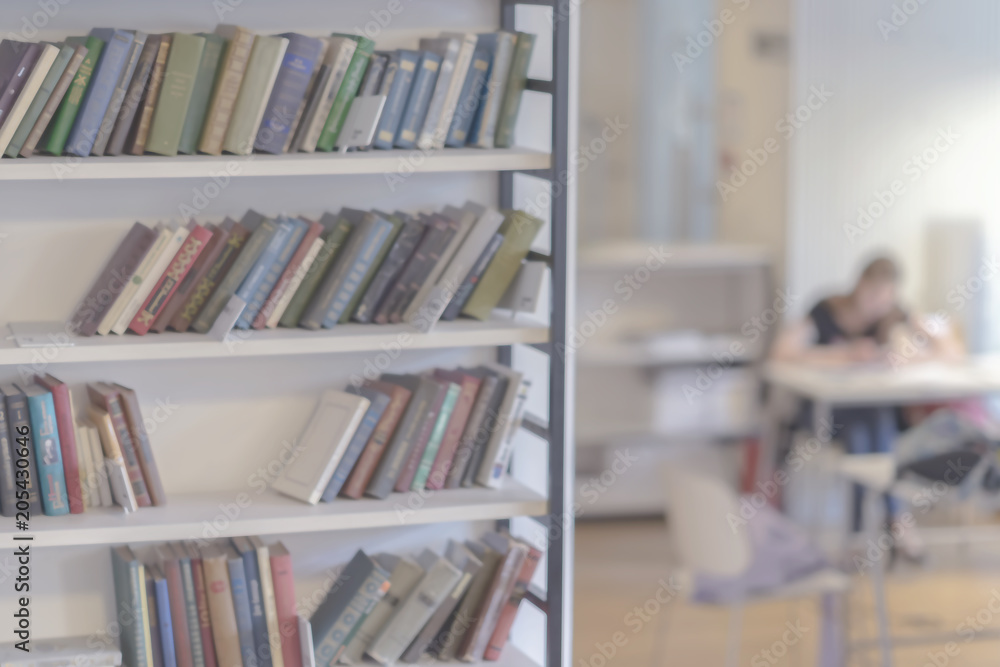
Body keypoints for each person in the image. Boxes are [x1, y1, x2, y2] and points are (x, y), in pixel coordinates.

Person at [771, 256, 964, 562]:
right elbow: (782, 353)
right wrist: (844, 355)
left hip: (870, 411)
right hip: (825, 413)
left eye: (885, 298)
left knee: (877, 424)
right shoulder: (826, 309)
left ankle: (860, 535)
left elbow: (951, 352)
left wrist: (903, 358)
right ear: (859, 286)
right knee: (869, 430)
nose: (877, 304)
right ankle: (896, 523)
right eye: (872, 295)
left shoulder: (894, 313)